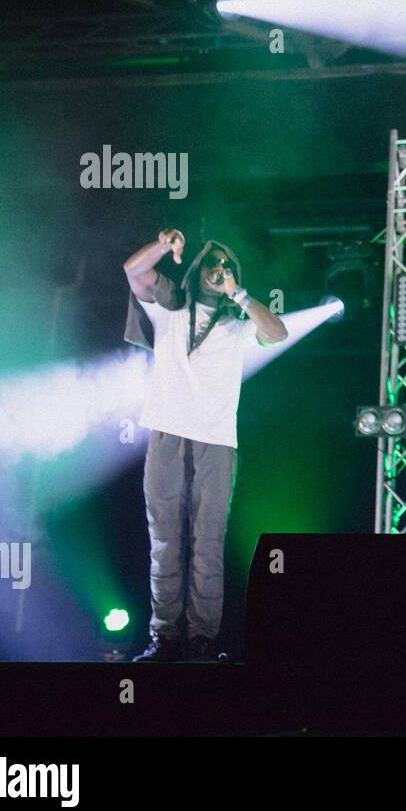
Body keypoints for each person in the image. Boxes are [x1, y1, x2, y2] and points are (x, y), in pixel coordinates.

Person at [122, 229, 287, 662]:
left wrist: (243, 295)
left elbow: (278, 332)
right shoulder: (168, 309)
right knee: (163, 540)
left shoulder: (238, 325)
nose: (220, 270)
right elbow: (133, 271)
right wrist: (162, 245)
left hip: (216, 440)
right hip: (167, 432)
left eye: (227, 266)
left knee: (208, 540)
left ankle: (202, 638)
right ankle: (164, 636)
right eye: (213, 264)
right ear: (196, 270)